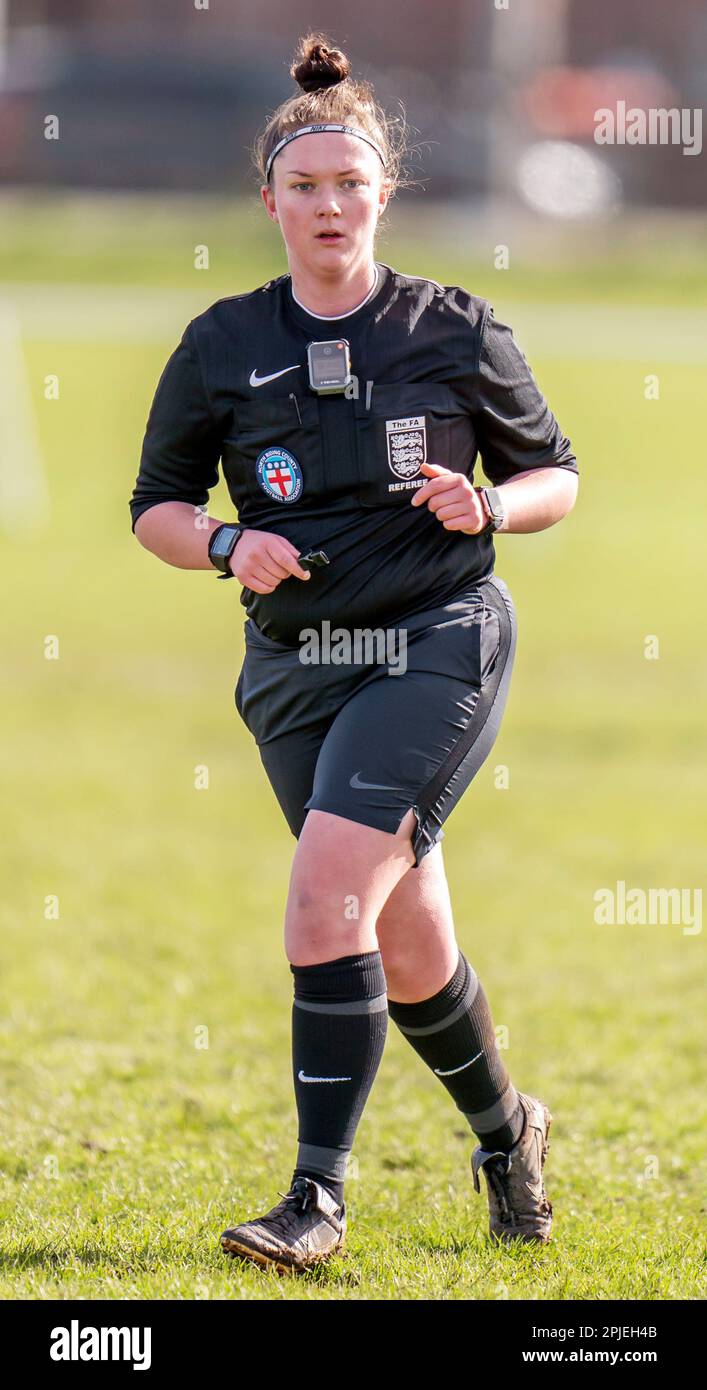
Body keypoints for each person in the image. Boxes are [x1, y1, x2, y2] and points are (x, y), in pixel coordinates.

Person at [130, 33, 578, 1275]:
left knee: (327, 897)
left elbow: (555, 476)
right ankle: (507, 1134)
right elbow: (154, 507)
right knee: (402, 933)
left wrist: (489, 506)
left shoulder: (454, 327)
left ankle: (315, 1201)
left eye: (351, 184)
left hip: (433, 640)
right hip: (292, 665)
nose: (330, 205)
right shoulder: (220, 343)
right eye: (305, 186)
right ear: (268, 200)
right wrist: (226, 544)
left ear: (384, 194)